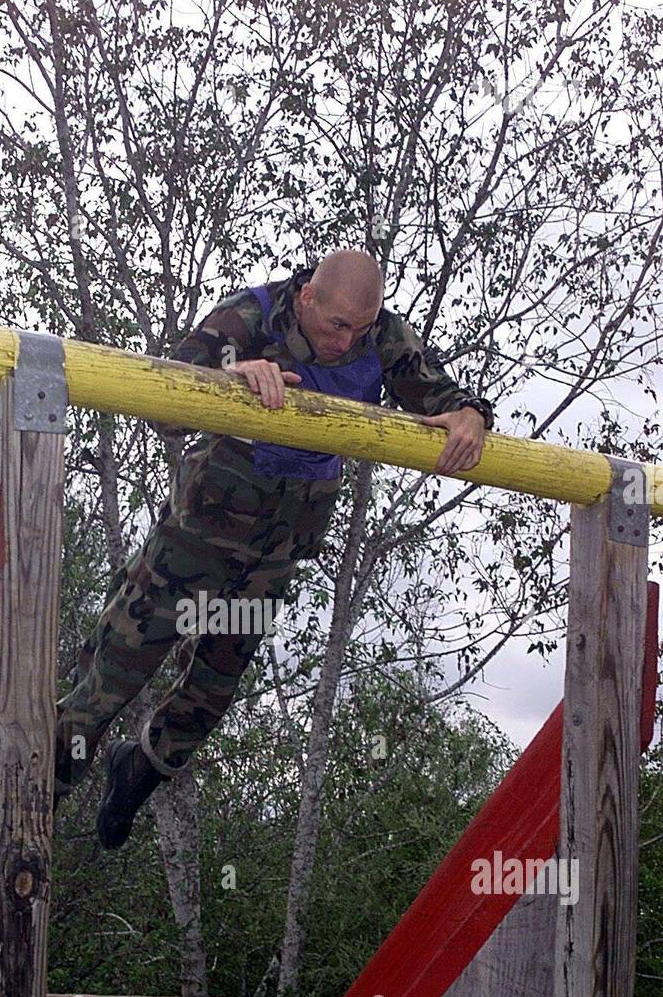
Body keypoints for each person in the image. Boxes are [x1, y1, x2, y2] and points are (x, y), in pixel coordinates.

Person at [54, 248, 494, 846]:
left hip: (270, 559)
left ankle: (136, 773)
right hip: (193, 545)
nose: (346, 341)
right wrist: (228, 378)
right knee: (110, 681)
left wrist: (470, 415)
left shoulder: (380, 336)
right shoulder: (248, 318)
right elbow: (163, 396)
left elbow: (439, 393)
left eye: (359, 328)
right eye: (337, 324)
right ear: (308, 294)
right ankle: (35, 798)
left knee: (208, 701)